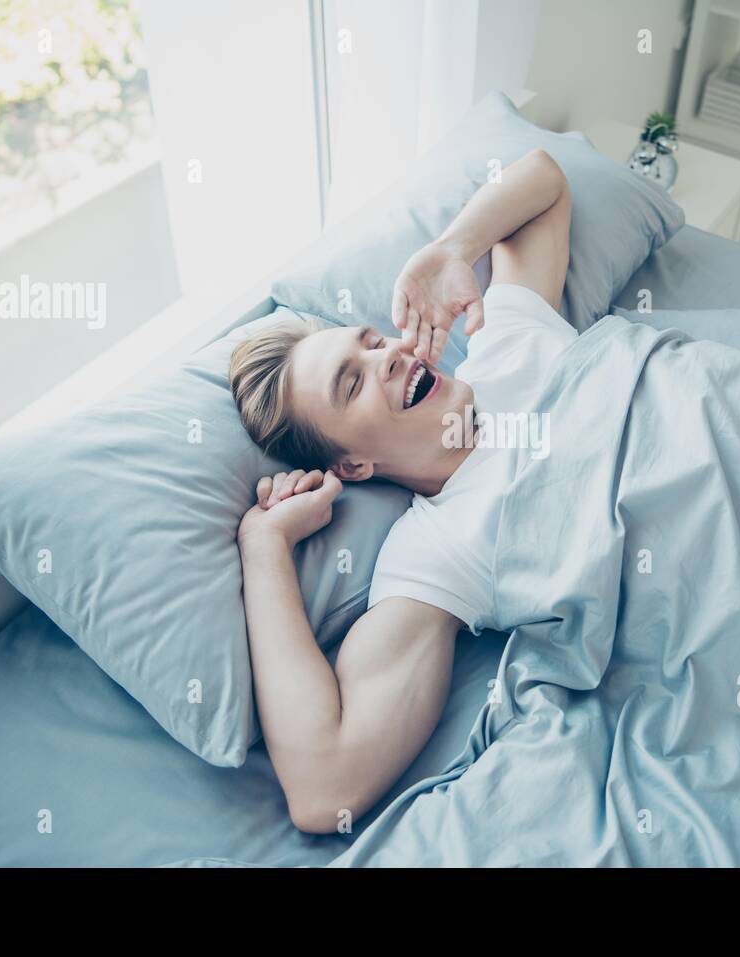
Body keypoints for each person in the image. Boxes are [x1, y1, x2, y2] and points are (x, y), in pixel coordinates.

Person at [228, 149, 574, 834]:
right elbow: (326, 788)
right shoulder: (435, 554)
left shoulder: (503, 343)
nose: (388, 353)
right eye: (352, 382)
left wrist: (452, 248)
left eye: (369, 341)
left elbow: (544, 180)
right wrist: (263, 543)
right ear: (352, 465)